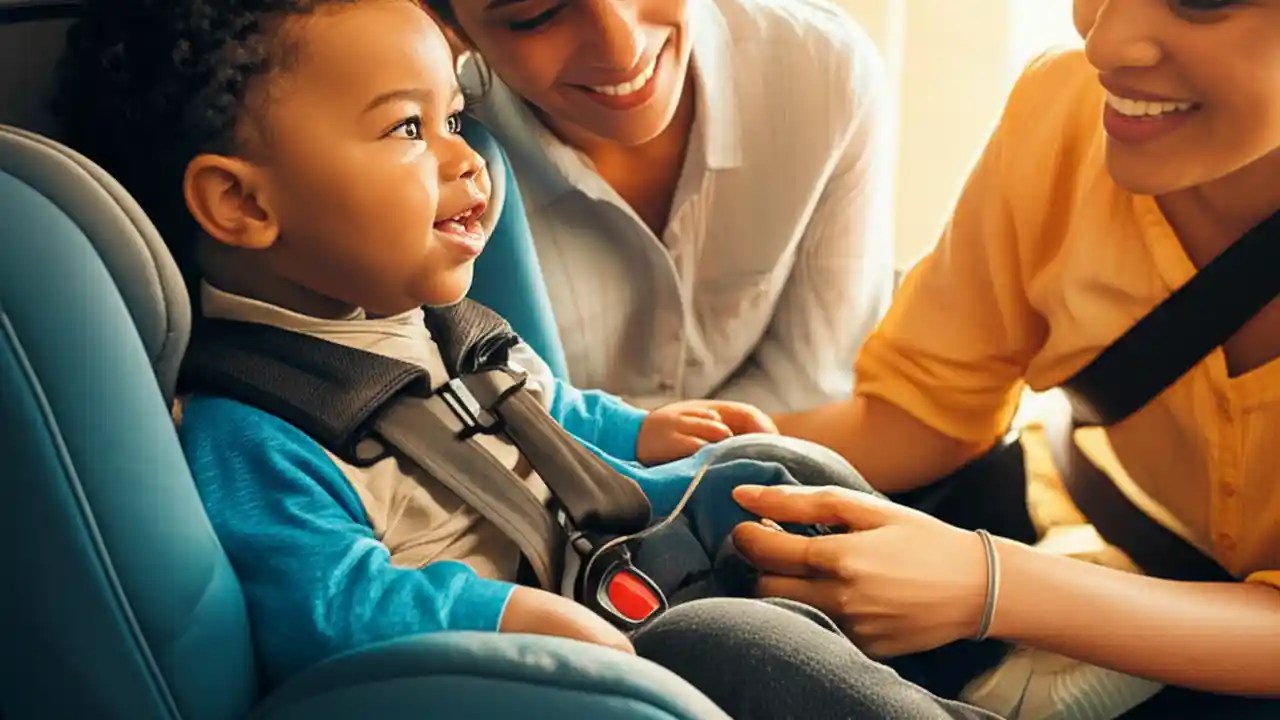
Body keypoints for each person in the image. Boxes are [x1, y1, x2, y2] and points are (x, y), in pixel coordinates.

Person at [53, 2, 998, 718]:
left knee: (788, 480)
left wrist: (638, 430)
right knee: (740, 641)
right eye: (407, 130)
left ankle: (968, 671)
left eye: (456, 119)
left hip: (608, 569)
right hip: (545, 658)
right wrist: (507, 621)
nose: (470, 165)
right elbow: (324, 602)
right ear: (243, 207)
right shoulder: (250, 428)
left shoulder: (435, 321)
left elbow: (541, 410)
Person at [729, 0, 1280, 717]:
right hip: (1067, 522)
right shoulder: (1065, 111)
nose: (1104, 41)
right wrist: (678, 448)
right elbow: (930, 413)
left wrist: (994, 590)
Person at [426, 0, 895, 413]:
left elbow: (816, 385)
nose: (623, 50)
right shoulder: (424, 170)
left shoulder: (819, 70)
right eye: (538, 15)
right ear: (451, 27)